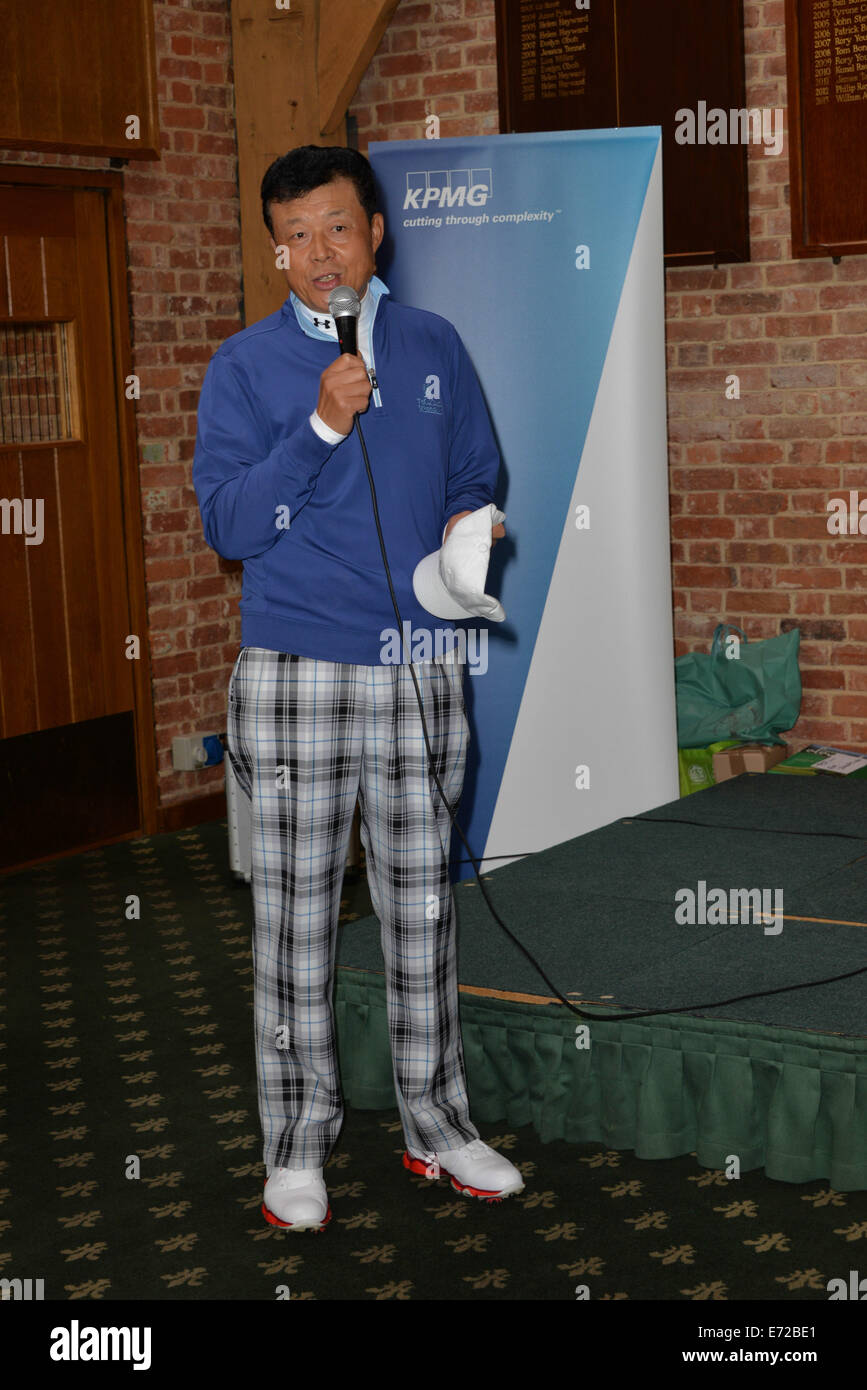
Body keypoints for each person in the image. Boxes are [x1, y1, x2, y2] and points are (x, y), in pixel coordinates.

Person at [193, 145, 523, 1230]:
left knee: (421, 911)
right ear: (275, 252)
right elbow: (229, 523)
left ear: (376, 231)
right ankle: (295, 1147)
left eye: (337, 226)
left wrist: (468, 533)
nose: (320, 252)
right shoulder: (244, 367)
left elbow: (474, 472)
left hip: (418, 668)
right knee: (294, 920)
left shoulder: (434, 344)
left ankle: (438, 1125)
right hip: (295, 671)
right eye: (295, 235)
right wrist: (321, 428)